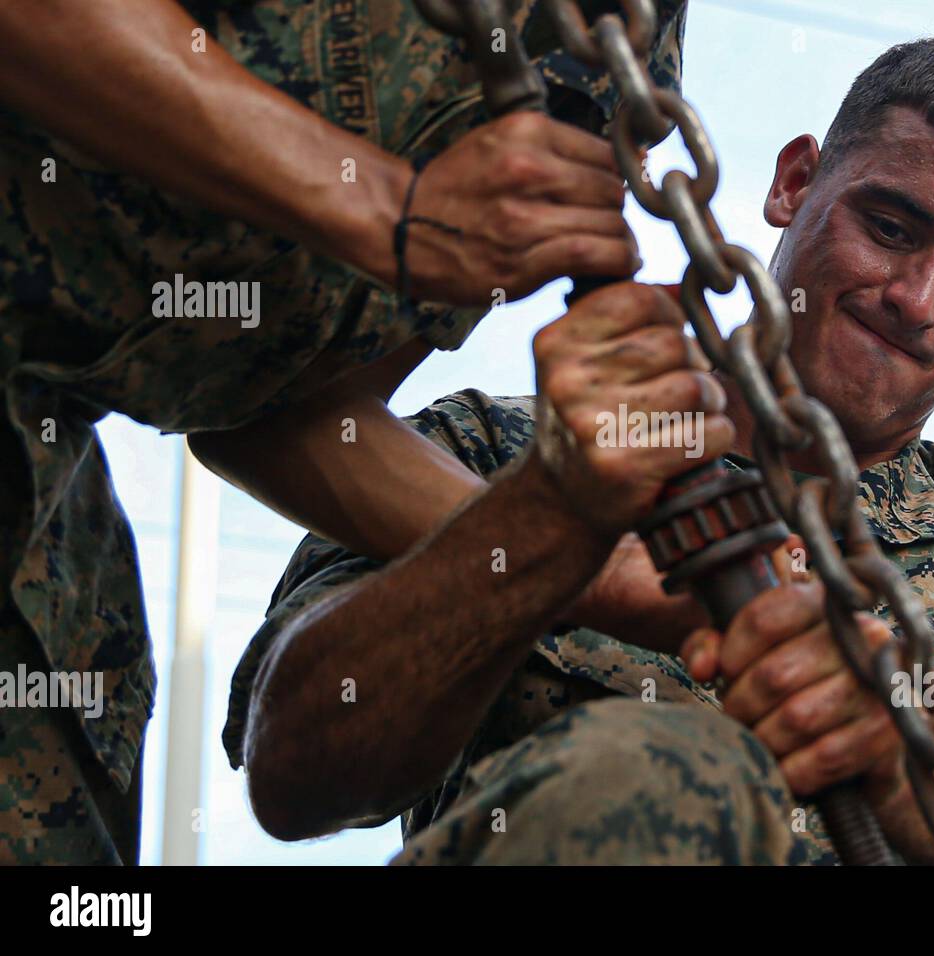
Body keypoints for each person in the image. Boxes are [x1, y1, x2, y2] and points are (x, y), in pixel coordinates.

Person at [223, 38, 934, 864]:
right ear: (793, 183)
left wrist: (901, 754)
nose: (916, 297)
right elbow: (298, 764)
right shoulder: (486, 453)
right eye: (890, 225)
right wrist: (555, 517)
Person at [0, 0, 687, 864]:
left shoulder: (620, 49)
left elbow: (286, 419)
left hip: (41, 490)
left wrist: (606, 567)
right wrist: (381, 207)